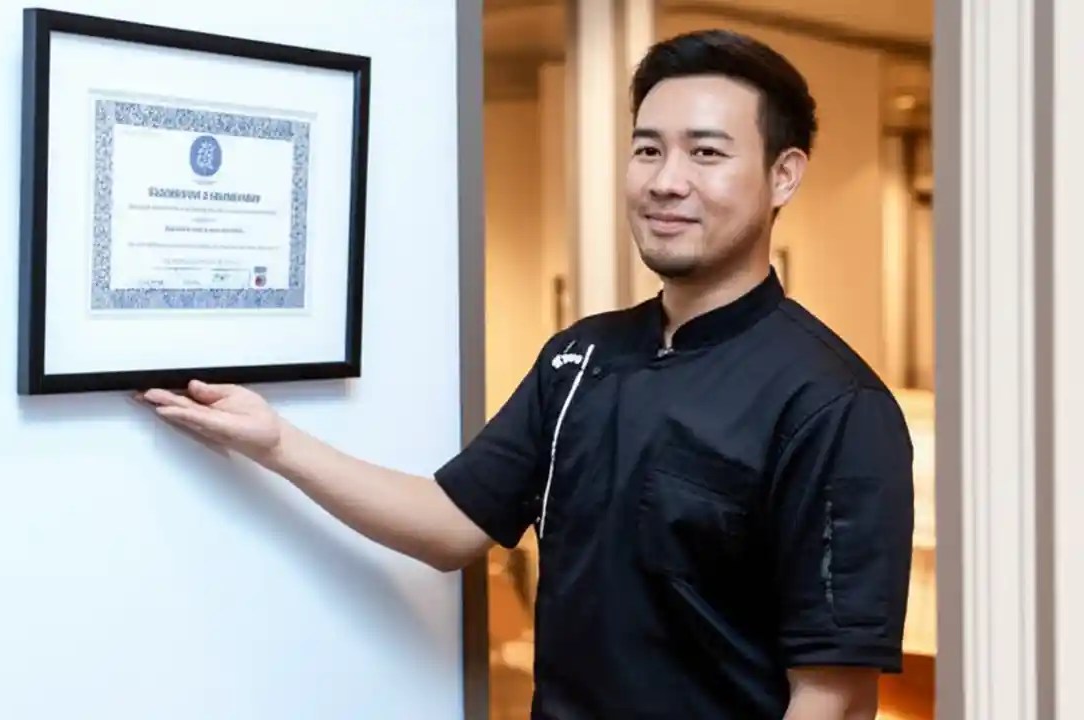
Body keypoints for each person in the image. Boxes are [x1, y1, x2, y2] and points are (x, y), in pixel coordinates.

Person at [140, 28, 914, 720]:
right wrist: (275, 441)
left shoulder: (831, 402)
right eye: (648, 148)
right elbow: (450, 524)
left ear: (784, 175)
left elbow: (835, 696)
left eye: (706, 152)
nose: (666, 180)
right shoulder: (582, 357)